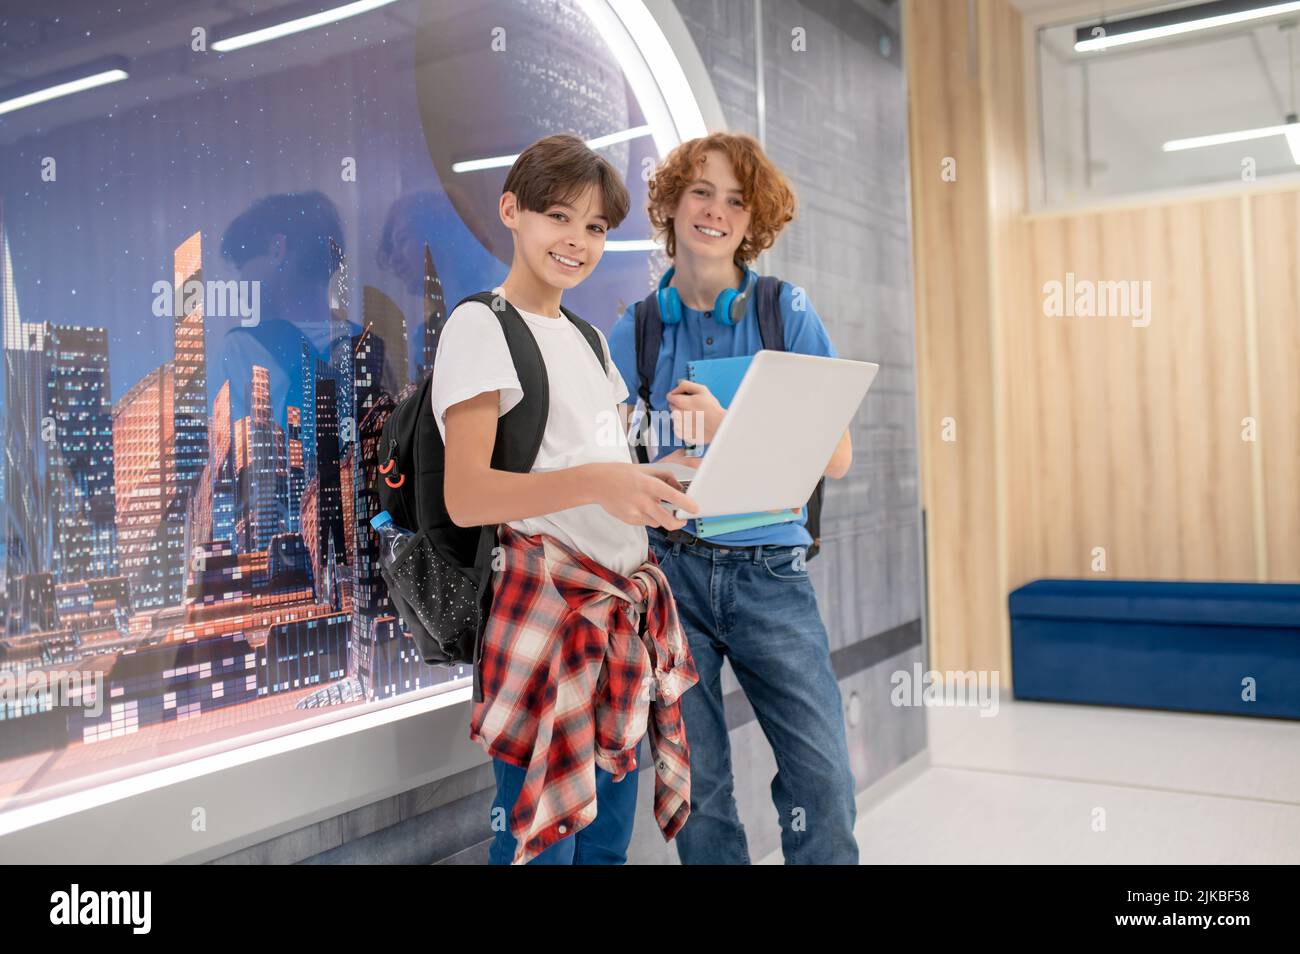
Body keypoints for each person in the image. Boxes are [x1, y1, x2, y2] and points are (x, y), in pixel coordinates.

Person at [432, 134, 700, 865]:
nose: (578, 242)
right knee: (540, 845)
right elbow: (467, 495)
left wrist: (655, 477)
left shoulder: (588, 339)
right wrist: (599, 484)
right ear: (511, 212)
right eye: (559, 217)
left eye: (596, 228)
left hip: (619, 618)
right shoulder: (480, 327)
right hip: (544, 617)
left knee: (607, 844)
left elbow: (602, 463)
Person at [608, 132, 860, 864]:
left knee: (824, 784)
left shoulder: (786, 311)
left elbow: (838, 457)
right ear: (673, 204)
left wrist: (726, 427)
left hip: (771, 578)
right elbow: (612, 449)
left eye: (735, 201)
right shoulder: (640, 326)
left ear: (755, 223)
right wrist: (663, 456)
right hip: (673, 578)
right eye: (701, 192)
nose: (715, 212)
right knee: (701, 793)